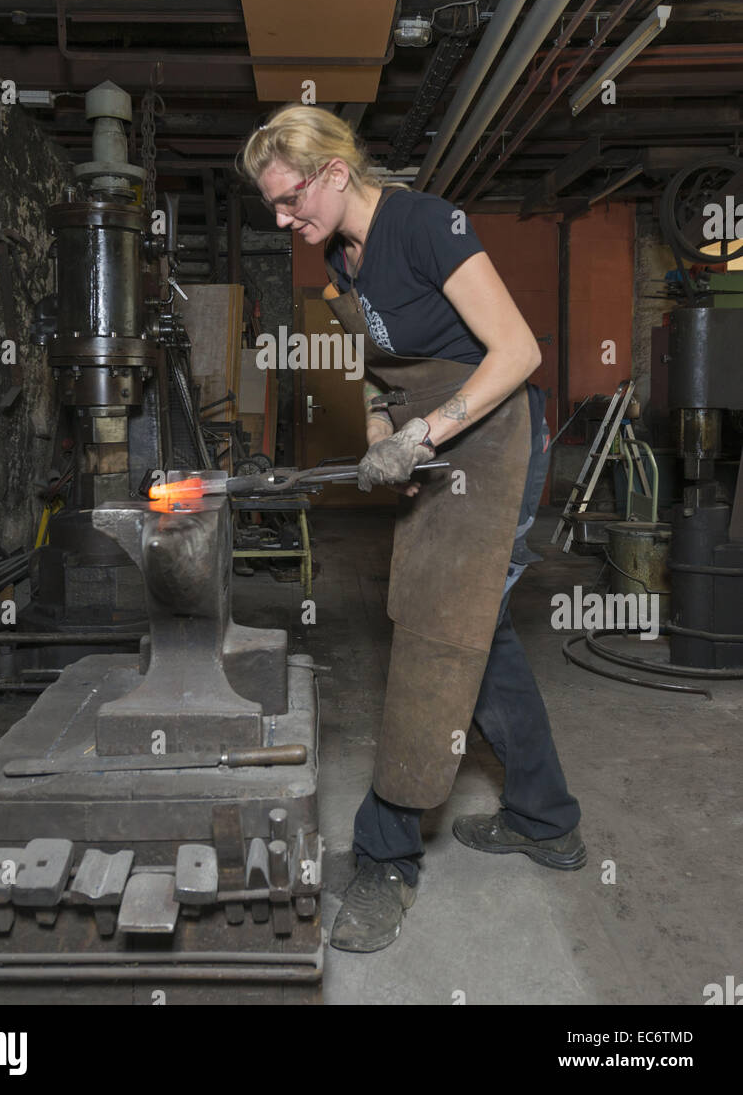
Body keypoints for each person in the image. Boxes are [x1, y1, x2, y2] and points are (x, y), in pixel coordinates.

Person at [238, 105, 584, 954]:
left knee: (438, 633)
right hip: (431, 443)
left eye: (289, 201)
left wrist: (421, 437)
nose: (284, 221)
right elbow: (386, 376)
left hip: (494, 437)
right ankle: (546, 819)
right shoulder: (338, 255)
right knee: (478, 631)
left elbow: (515, 353)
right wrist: (377, 435)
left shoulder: (426, 224)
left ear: (330, 172)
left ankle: (388, 852)